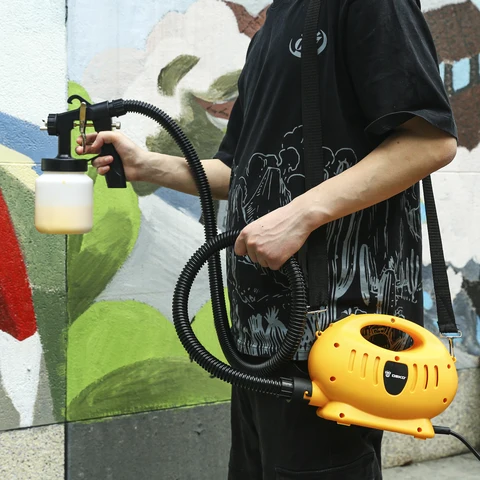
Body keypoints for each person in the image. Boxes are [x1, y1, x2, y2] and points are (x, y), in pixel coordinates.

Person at [78, 0, 457, 478]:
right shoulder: (272, 27)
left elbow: (429, 141)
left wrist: (298, 216)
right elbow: (241, 173)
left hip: (339, 344)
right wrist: (148, 166)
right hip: (261, 343)